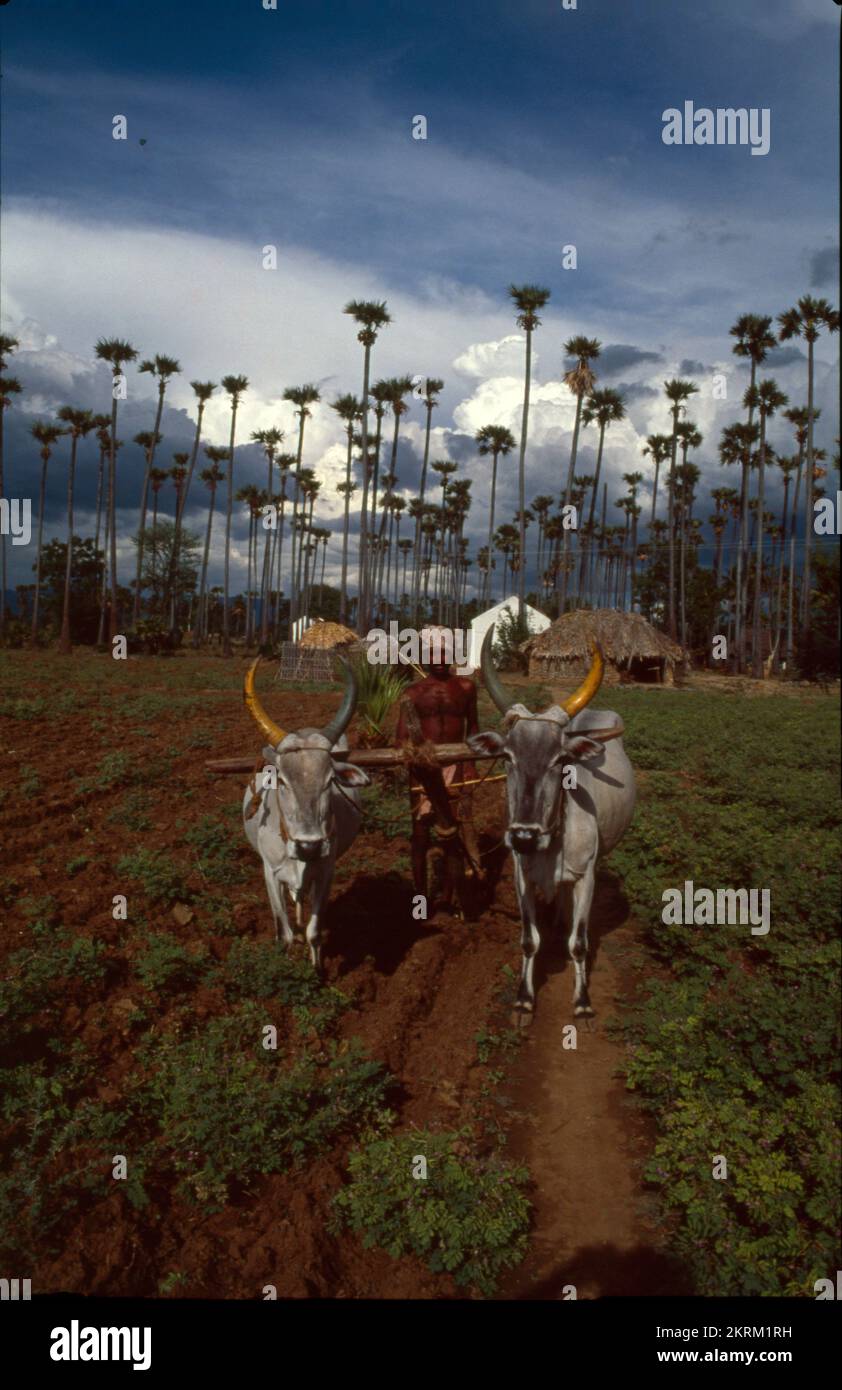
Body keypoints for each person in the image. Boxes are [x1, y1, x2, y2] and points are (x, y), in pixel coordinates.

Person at [395, 628, 482, 912]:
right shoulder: (412, 693)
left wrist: (469, 765)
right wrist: (411, 763)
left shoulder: (466, 689)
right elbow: (401, 739)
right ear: (425, 656)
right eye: (433, 652)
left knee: (451, 834)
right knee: (420, 837)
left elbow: (474, 729)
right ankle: (419, 900)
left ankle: (449, 896)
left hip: (455, 767)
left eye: (445, 652)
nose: (440, 658)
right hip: (422, 770)